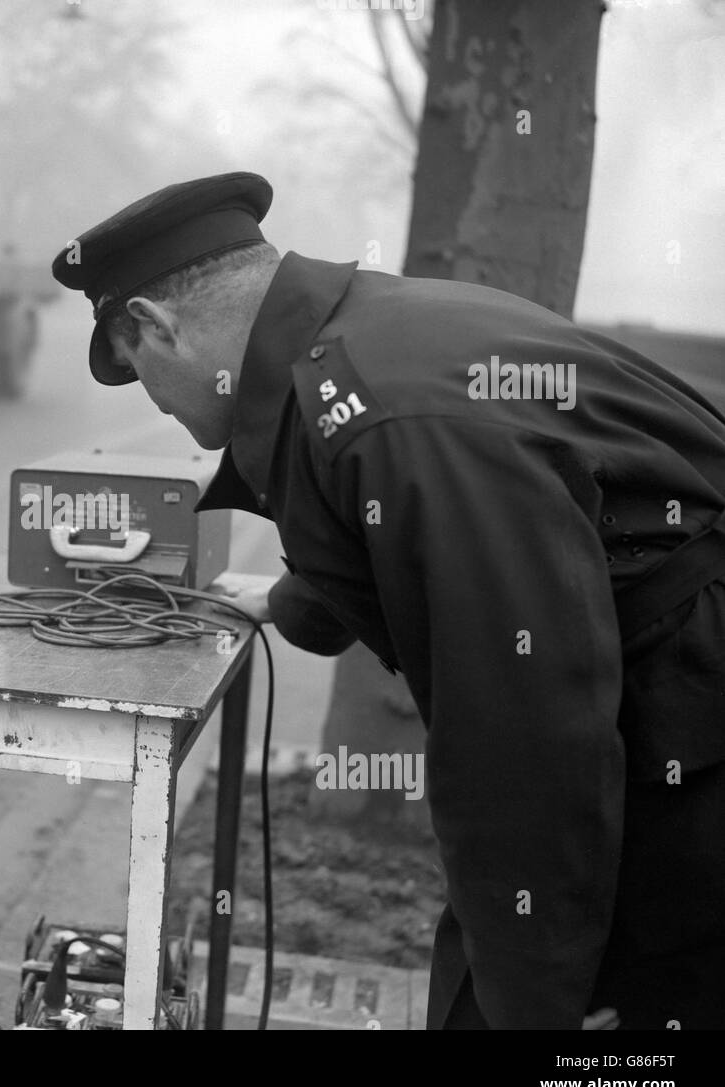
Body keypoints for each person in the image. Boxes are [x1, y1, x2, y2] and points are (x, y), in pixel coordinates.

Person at [51, 171, 725, 1029]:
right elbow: (388, 541)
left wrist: (530, 1003)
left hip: (685, 731)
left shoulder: (393, 417)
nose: (151, 397)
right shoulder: (356, 337)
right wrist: (285, 602)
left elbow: (524, 734)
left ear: (153, 326)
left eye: (137, 372)